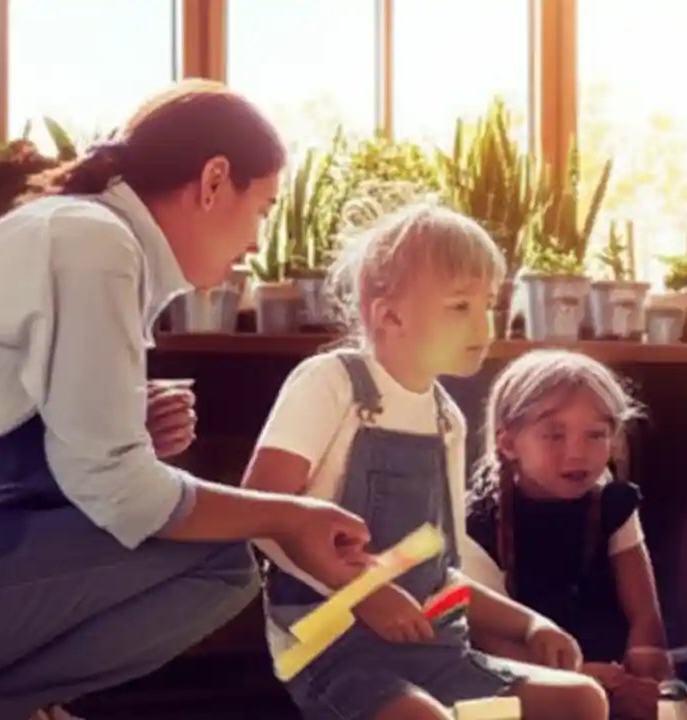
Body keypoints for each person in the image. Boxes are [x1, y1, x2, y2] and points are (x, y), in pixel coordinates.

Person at [0, 80, 372, 720]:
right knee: (216, 561)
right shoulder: (96, 245)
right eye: (261, 208)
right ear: (213, 181)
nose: (257, 241)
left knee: (214, 557)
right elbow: (118, 491)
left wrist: (108, 422)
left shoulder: (71, 232)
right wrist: (289, 516)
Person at [242, 204, 608, 720]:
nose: (484, 323)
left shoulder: (446, 420)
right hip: (331, 650)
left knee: (581, 701)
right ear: (388, 315)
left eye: (490, 303)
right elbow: (261, 516)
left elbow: (440, 574)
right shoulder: (331, 383)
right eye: (460, 305)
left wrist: (529, 625)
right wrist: (365, 592)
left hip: (437, 651)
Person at [465, 349, 673, 712]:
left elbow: (644, 614)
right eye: (554, 436)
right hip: (530, 673)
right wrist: (577, 674)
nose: (577, 454)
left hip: (615, 671)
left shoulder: (613, 504)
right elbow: (489, 638)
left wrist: (646, 660)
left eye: (595, 436)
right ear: (509, 443)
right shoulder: (478, 521)